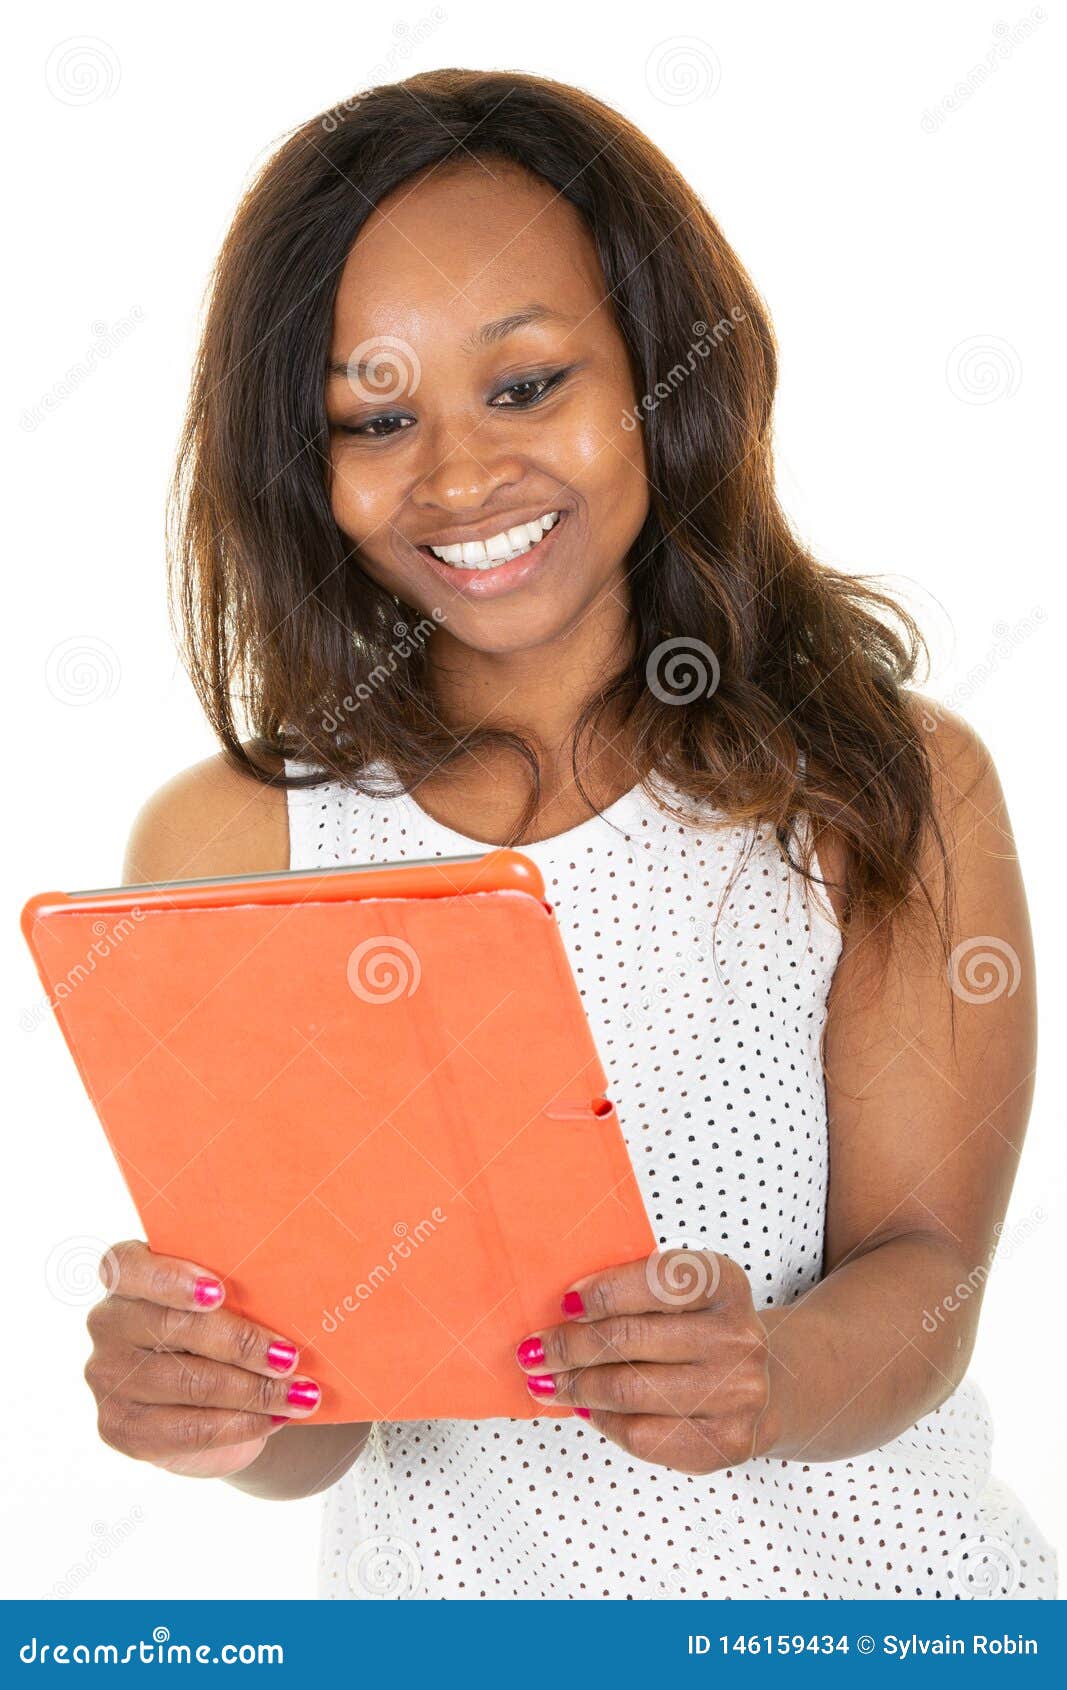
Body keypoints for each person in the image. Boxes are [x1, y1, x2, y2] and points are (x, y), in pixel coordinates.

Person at [82, 69, 1056, 1600]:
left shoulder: (886, 781)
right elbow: (314, 1420)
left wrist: (774, 1372)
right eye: (375, 417)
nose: (461, 474)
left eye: (528, 384)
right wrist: (210, 1397)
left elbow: (930, 1271)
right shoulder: (233, 843)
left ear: (661, 372)